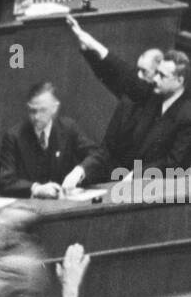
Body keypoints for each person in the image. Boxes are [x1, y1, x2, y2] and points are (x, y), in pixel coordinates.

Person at [63, 17, 191, 181]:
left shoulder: (187, 115)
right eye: (156, 73)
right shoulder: (152, 95)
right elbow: (123, 74)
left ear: (179, 81)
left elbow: (174, 163)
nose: (156, 79)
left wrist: (138, 175)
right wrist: (91, 45)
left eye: (162, 75)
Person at [0, 81, 96, 198]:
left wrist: (79, 171)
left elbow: (96, 154)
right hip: (29, 208)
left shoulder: (68, 128)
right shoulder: (14, 136)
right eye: (32, 111)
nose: (36, 117)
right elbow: (5, 182)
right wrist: (36, 188)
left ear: (54, 108)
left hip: (64, 204)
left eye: (42, 110)